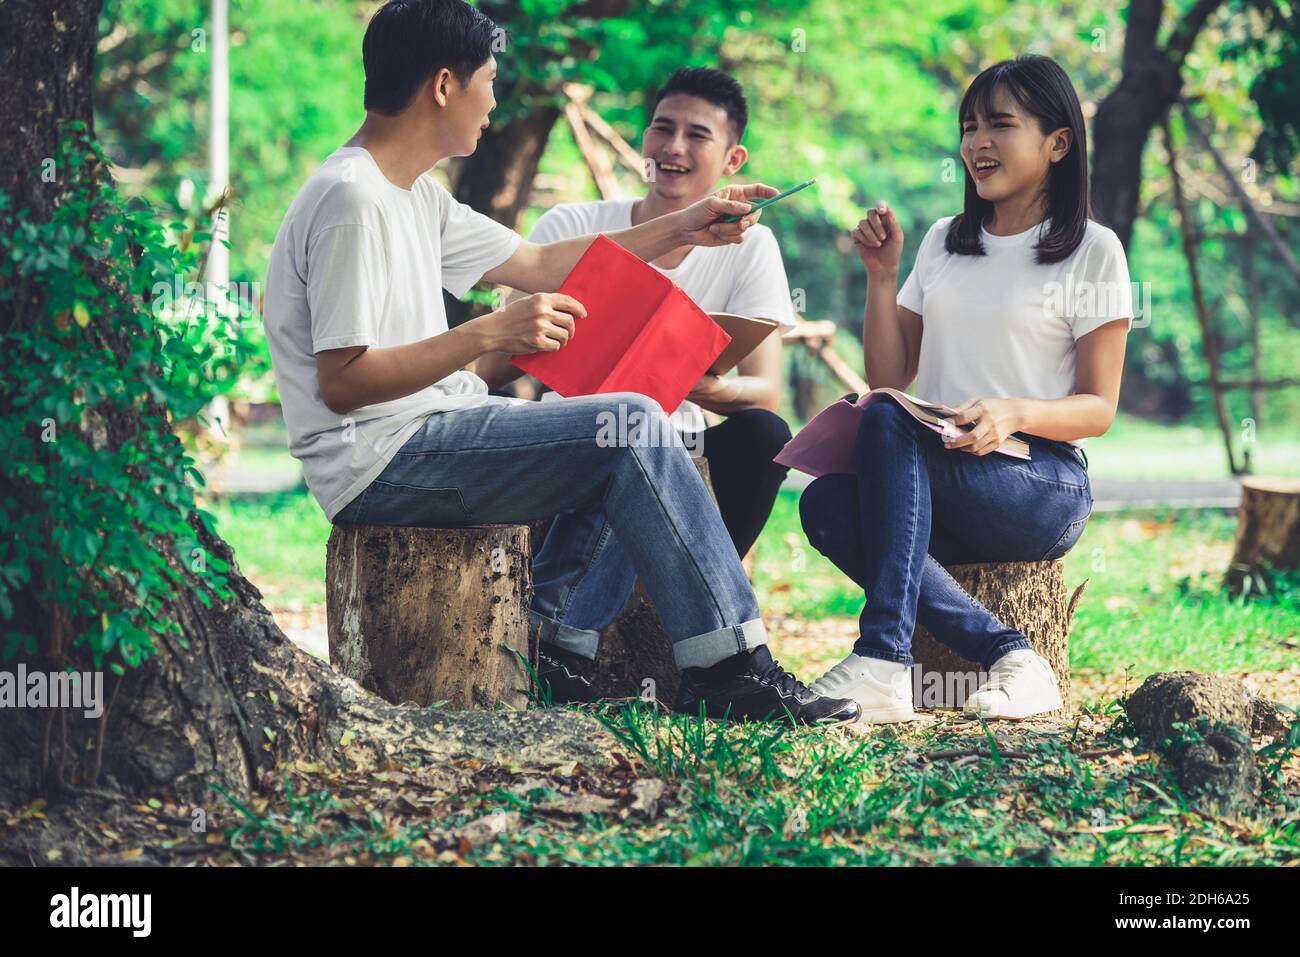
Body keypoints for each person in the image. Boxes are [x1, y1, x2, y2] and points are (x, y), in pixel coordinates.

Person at [261, 0, 858, 725]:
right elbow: (345, 381)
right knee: (631, 423)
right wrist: (487, 333)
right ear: (443, 87)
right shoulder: (352, 199)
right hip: (381, 460)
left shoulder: (412, 193)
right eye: (489, 78)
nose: (495, 100)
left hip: (432, 429)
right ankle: (730, 668)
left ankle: (556, 649)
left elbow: (541, 262)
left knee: (616, 419)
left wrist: (688, 225)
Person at [798, 54, 1132, 723]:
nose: (978, 143)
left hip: (1039, 482)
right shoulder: (942, 242)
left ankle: (883, 659)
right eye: (969, 126)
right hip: (937, 471)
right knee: (827, 501)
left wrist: (1014, 413)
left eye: (1000, 125)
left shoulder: (1093, 250)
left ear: (1057, 142)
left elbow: (1099, 408)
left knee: (889, 427)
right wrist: (882, 277)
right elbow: (891, 380)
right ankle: (1013, 656)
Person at [476, 68, 797, 701]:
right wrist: (552, 333)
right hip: (576, 433)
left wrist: (704, 386)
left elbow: (765, 392)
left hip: (686, 440)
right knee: (621, 424)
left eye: (695, 135)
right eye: (662, 127)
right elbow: (492, 370)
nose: (673, 147)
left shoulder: (751, 247)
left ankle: (675, 590)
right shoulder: (572, 224)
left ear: (733, 158)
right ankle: (589, 649)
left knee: (765, 434)